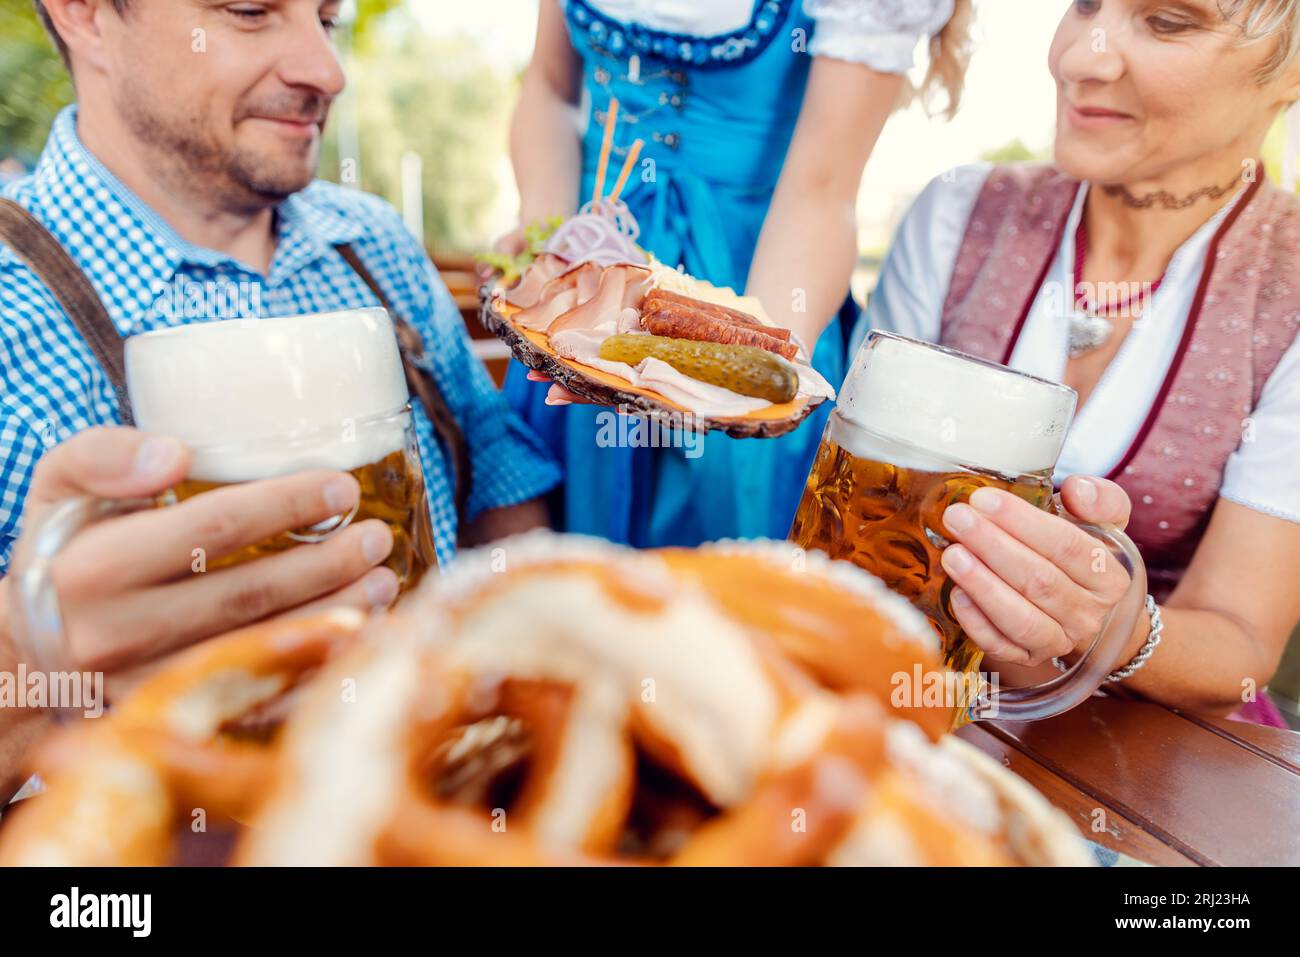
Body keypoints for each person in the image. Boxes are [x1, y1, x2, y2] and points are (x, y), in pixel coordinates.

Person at [0, 0, 559, 802]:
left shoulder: (375, 244)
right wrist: (26, 656)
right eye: (251, 11)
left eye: (327, 20)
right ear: (85, 14)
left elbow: (502, 500)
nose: (326, 72)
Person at [856, 0, 1300, 722]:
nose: (1080, 59)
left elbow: (1242, 638)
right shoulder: (956, 215)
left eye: (1168, 22)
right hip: (913, 702)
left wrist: (1120, 630)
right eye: (1087, 4)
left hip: (1155, 760)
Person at [499, 0, 973, 546]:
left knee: (721, 575)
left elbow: (821, 190)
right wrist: (546, 238)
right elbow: (550, 88)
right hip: (585, 291)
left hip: (756, 287)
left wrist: (742, 364)